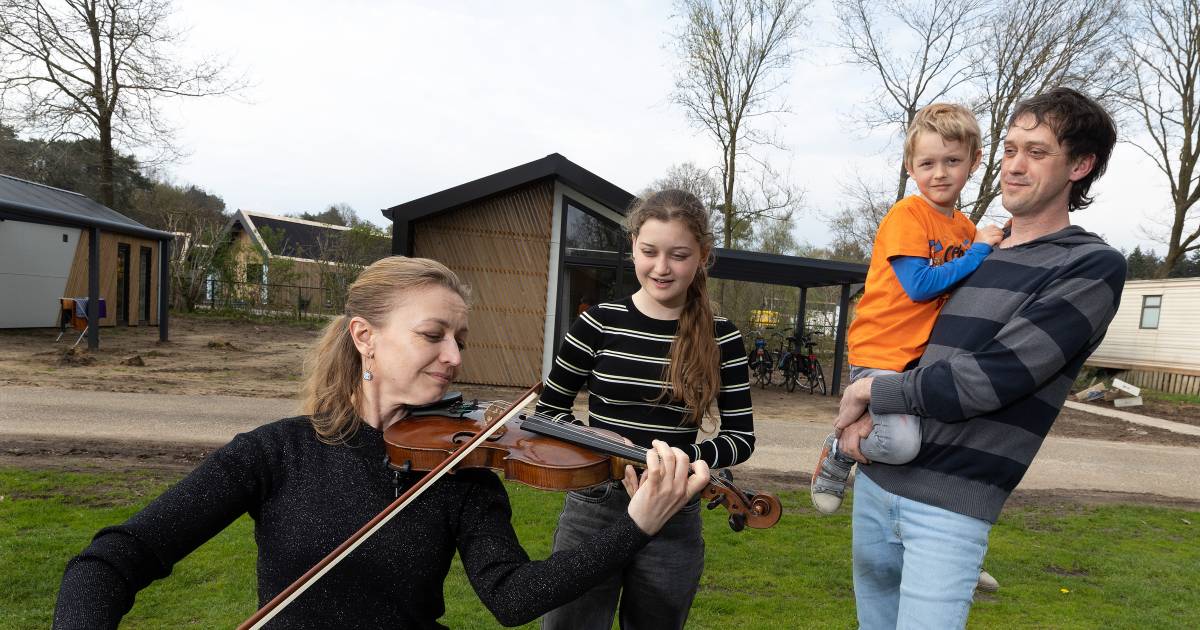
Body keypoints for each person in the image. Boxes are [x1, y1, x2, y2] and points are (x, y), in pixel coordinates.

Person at [53, 256, 710, 630]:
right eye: (433, 336)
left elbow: (512, 597)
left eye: (461, 339)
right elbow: (115, 558)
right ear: (365, 337)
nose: (454, 357)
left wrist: (634, 525)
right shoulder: (277, 453)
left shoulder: (465, 472)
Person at [833, 87, 1125, 629]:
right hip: (877, 484)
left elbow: (995, 377)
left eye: (1036, 153)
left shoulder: (1089, 265)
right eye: (1011, 148)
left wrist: (872, 392)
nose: (1015, 166)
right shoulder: (971, 251)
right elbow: (908, 335)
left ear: (1081, 165)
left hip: (950, 504)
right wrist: (863, 415)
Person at [536, 189, 755, 630]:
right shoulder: (597, 322)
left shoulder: (723, 337)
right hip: (595, 504)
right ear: (632, 244)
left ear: (702, 256)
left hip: (675, 508)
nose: (661, 267)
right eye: (649, 251)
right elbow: (547, 414)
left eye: (678, 255)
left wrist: (687, 462)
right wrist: (600, 442)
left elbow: (740, 438)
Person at [808, 103, 1004, 590]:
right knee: (900, 442)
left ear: (975, 161)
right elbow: (919, 285)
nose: (939, 173)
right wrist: (981, 251)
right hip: (883, 351)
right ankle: (838, 448)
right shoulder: (907, 215)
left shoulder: (962, 228)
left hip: (926, 360)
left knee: (949, 450)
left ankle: (948, 551)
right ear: (909, 166)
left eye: (952, 162)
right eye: (927, 163)